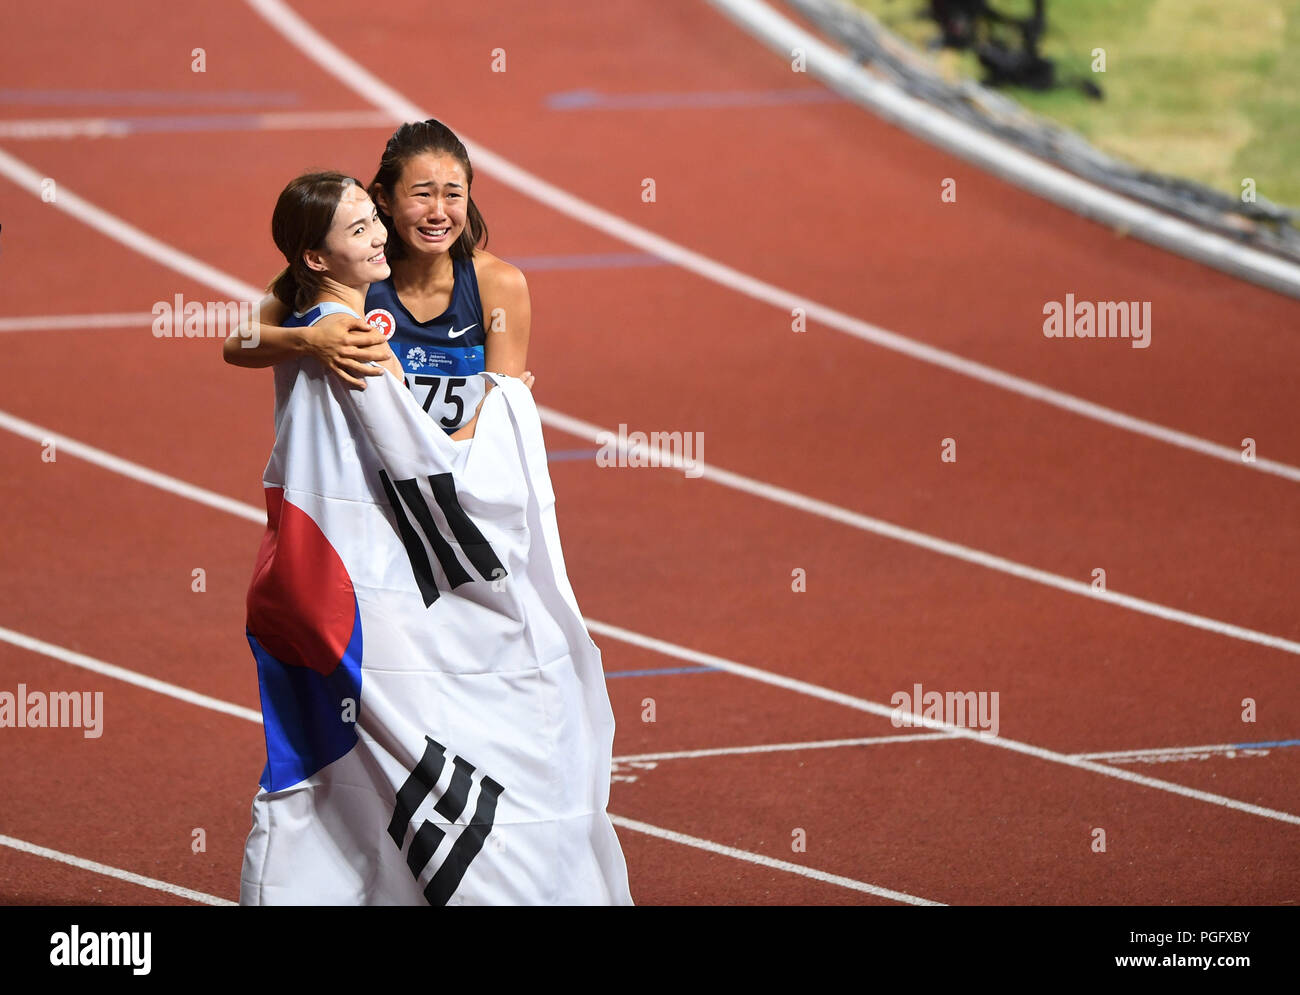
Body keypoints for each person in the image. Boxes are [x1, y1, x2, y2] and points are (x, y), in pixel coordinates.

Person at [238, 170, 630, 906]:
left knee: (311, 761)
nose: (380, 234)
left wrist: (298, 335)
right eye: (361, 228)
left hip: (294, 571)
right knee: (413, 734)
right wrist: (508, 413)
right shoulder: (350, 337)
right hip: (342, 589)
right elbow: (431, 472)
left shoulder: (318, 322)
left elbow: (246, 341)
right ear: (317, 257)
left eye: (370, 223)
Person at [223, 118, 532, 432]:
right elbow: (240, 343)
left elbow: (496, 422)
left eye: (453, 195)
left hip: (458, 471)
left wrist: (431, 473)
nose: (438, 212)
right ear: (384, 198)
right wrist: (310, 339)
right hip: (371, 477)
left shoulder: (498, 285)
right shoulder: (353, 268)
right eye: (422, 195)